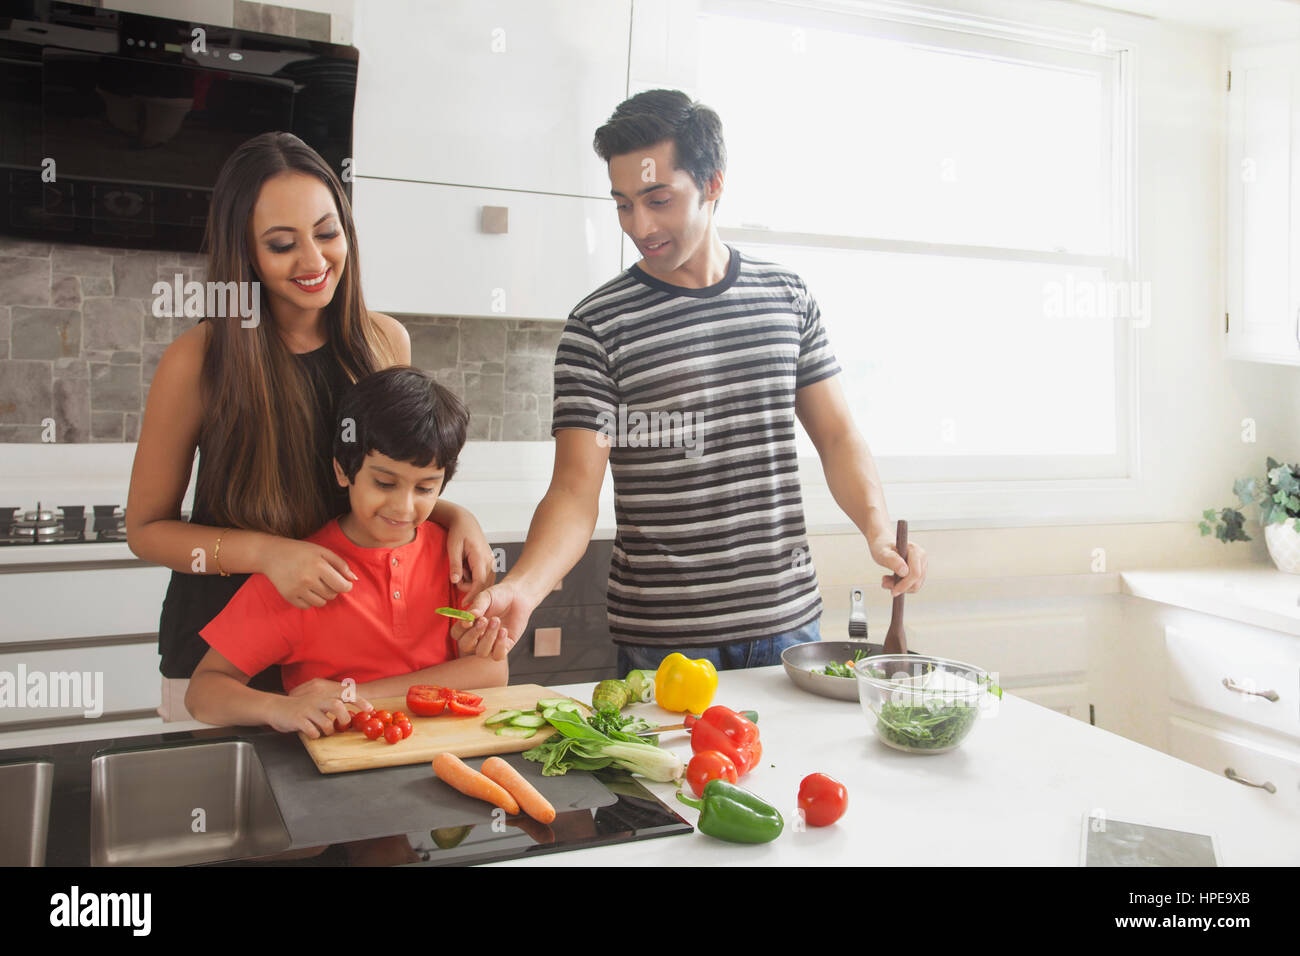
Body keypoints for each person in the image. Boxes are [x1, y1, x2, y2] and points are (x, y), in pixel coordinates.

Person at [452, 89, 929, 675]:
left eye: (659, 200)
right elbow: (575, 493)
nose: (640, 226)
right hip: (664, 644)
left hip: (788, 625)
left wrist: (878, 528)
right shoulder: (597, 326)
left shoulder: (787, 297)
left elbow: (836, 437)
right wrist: (522, 588)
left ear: (714, 184)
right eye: (624, 204)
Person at [126, 132, 495, 720]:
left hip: (340, 661)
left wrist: (456, 515)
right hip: (223, 660)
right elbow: (146, 530)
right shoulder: (198, 359)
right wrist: (271, 555)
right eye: (281, 244)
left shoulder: (383, 340)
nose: (315, 261)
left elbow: (391, 468)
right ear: (244, 252)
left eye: (328, 234)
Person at [185, 367, 511, 736]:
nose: (404, 508)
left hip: (441, 754)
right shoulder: (302, 575)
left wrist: (352, 693)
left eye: (425, 488)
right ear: (343, 471)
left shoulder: (454, 557)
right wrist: (278, 708)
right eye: (384, 482)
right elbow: (203, 692)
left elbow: (491, 670)